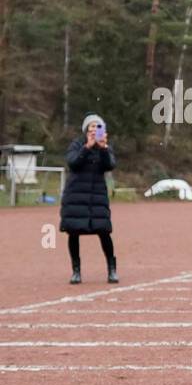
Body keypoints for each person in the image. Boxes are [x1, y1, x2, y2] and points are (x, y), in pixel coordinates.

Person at [61, 114, 118, 285]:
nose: (94, 130)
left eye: (98, 127)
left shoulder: (104, 147)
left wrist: (103, 148)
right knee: (73, 232)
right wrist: (87, 147)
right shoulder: (77, 144)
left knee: (104, 231)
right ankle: (76, 271)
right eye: (91, 127)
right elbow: (73, 163)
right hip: (76, 195)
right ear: (86, 129)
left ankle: (112, 269)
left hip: (97, 195)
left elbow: (110, 166)